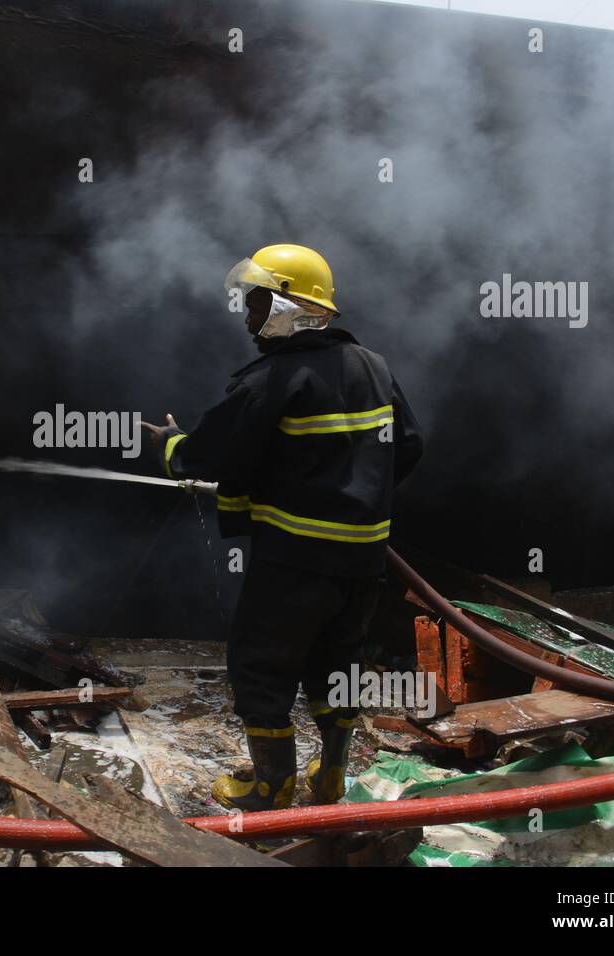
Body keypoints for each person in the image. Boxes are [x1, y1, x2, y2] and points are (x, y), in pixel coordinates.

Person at [141, 244, 424, 811]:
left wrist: (169, 444)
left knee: (261, 668)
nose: (247, 317)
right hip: (361, 566)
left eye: (256, 304)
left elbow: (205, 457)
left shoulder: (271, 381)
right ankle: (330, 778)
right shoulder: (373, 367)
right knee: (337, 666)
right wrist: (357, 503)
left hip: (293, 565)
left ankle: (270, 787)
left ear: (288, 307)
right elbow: (410, 446)